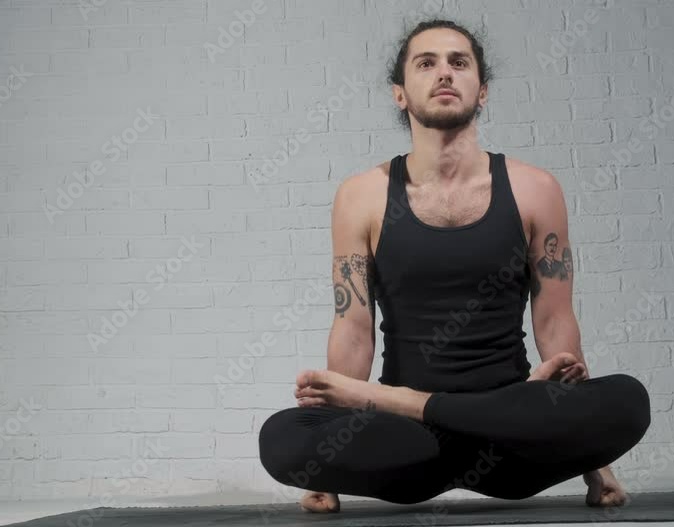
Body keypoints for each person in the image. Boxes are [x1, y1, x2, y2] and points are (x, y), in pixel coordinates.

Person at [258, 18, 650, 513]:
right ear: (400, 93)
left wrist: (596, 460)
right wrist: (330, 464)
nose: (444, 73)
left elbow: (554, 321)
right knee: (281, 437)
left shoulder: (535, 189)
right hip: (410, 446)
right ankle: (417, 410)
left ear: (481, 91)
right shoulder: (362, 197)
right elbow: (354, 327)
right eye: (427, 63)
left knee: (628, 400)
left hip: (511, 441)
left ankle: (417, 403)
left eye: (458, 62)